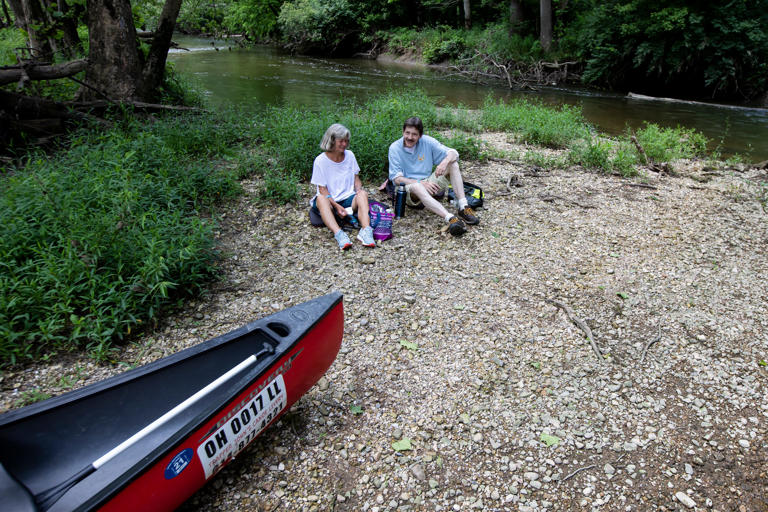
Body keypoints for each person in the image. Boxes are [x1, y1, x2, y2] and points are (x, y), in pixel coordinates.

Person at [388, 116, 480, 237]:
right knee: (417, 186)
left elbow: (454, 153)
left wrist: (444, 162)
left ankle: (463, 207)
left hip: (429, 184)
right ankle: (450, 218)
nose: (410, 137)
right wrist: (420, 183)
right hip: (409, 189)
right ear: (403, 132)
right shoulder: (394, 148)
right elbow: (396, 179)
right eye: (407, 133)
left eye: (414, 134)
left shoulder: (427, 142)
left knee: (453, 164)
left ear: (420, 135)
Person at [310, 123, 376, 250]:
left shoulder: (350, 155)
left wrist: (358, 191)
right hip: (329, 199)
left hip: (347, 198)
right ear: (332, 141)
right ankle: (339, 234)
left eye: (346, 141)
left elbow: (356, 179)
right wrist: (335, 205)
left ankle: (366, 231)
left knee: (363, 194)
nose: (344, 144)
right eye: (341, 141)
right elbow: (322, 190)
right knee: (320, 199)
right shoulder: (320, 161)